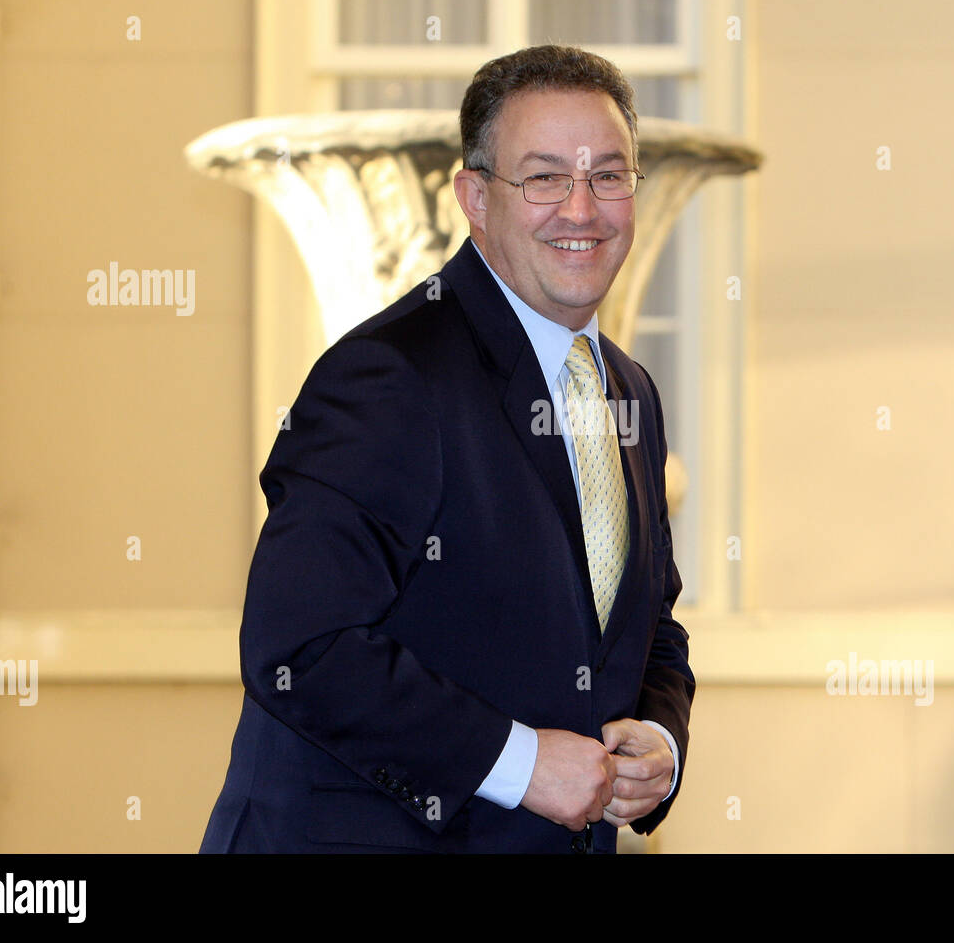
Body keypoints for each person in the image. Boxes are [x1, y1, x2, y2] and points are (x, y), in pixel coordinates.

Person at [199, 44, 695, 854]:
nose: (582, 208)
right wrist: (522, 761)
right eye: (543, 177)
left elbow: (653, 624)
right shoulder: (388, 374)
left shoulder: (627, 391)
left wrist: (660, 746)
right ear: (474, 197)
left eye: (609, 176)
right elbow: (299, 646)